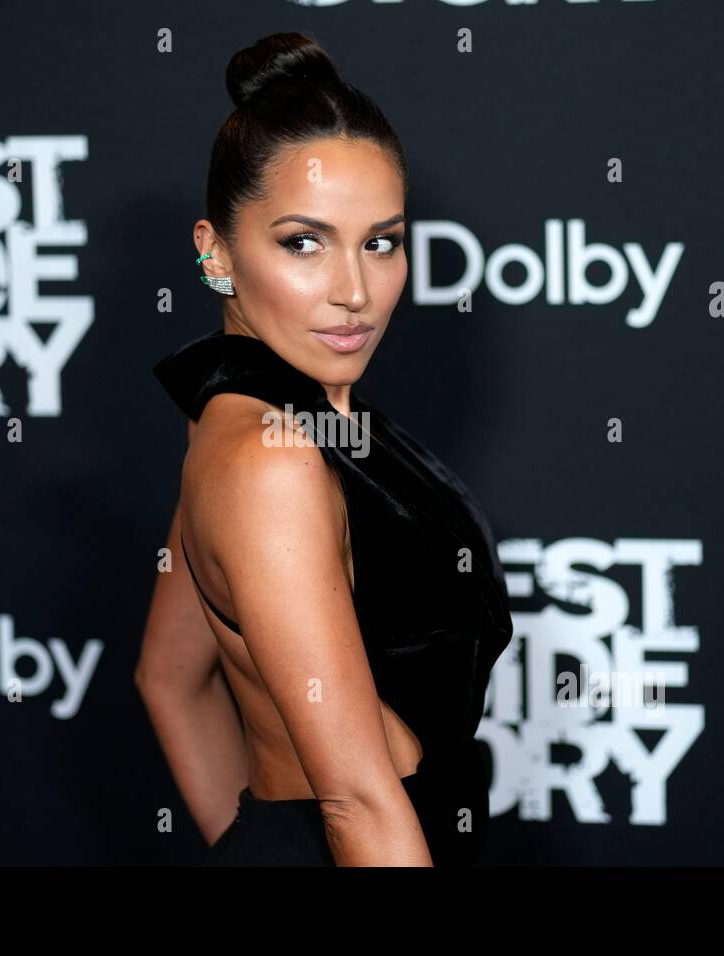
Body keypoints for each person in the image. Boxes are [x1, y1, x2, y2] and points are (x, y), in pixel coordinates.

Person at [135, 32, 513, 866]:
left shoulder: (255, 429)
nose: (355, 292)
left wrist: (257, 846)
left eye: (381, 241)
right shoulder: (271, 461)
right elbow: (358, 800)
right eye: (303, 242)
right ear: (215, 254)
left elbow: (170, 677)